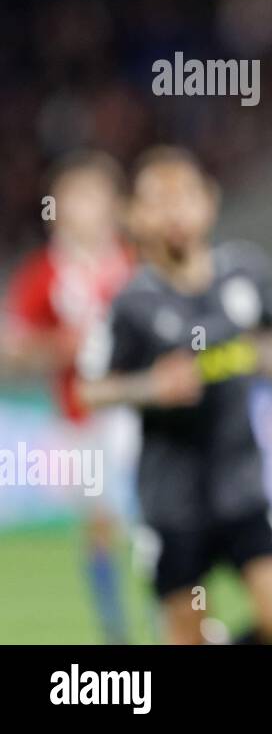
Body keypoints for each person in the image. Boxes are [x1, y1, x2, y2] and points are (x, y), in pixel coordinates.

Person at [76, 146, 272, 644]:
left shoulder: (244, 271)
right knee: (185, 637)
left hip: (242, 487)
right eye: (157, 201)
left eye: (184, 195)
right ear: (134, 217)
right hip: (171, 501)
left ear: (209, 202)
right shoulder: (131, 302)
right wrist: (149, 386)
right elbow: (90, 387)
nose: (173, 211)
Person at [2, 151, 135, 643]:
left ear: (115, 206)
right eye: (72, 198)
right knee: (102, 526)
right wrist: (56, 348)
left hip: (140, 414)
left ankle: (172, 613)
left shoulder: (135, 264)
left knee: (150, 520)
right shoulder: (45, 273)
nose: (82, 208)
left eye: (93, 197)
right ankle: (115, 627)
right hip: (82, 421)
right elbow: (12, 350)